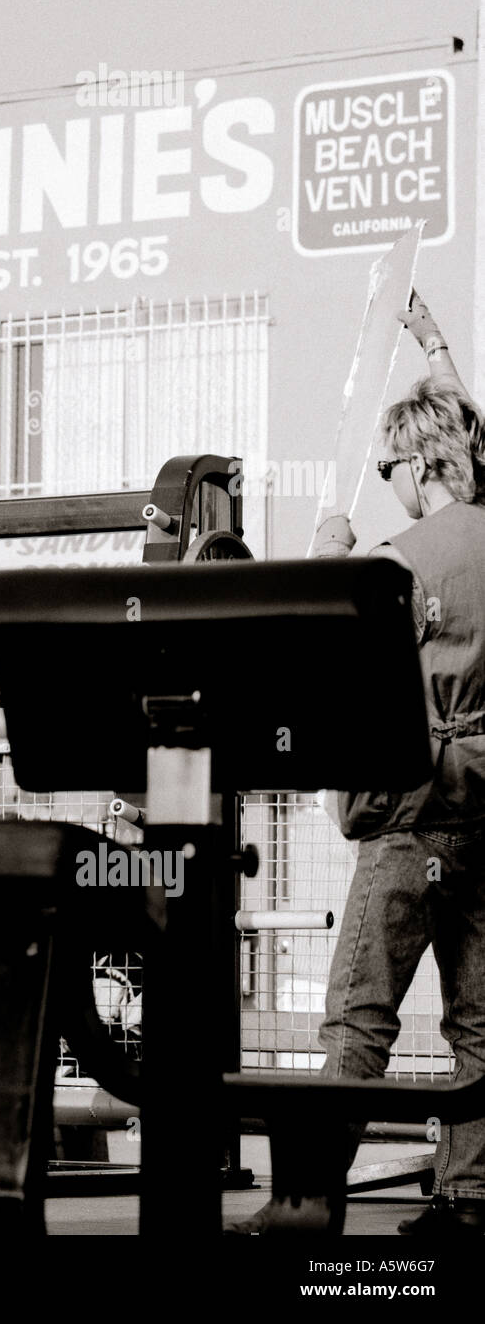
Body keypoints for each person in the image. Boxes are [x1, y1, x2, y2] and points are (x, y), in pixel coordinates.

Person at [234, 292, 485, 1236]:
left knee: (359, 1018)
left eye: (390, 469)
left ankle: (309, 1200)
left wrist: (326, 558)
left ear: (420, 463)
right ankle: (467, 1200)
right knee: (481, 1024)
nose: (388, 485)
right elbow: (467, 434)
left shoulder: (392, 564)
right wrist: (433, 344)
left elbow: (311, 661)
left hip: (410, 809)